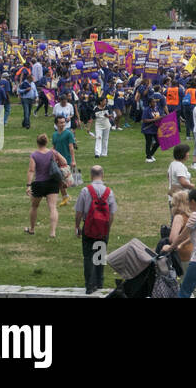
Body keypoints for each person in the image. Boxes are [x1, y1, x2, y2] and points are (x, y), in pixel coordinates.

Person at [74, 164, 115, 294]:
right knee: (100, 255)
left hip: (88, 227)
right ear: (102, 175)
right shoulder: (109, 192)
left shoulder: (85, 191)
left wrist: (77, 226)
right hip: (103, 228)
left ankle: (89, 285)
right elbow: (112, 213)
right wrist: (108, 227)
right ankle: (99, 282)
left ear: (91, 176)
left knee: (88, 256)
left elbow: (79, 211)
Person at [25, 133, 69, 238]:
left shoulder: (34, 155)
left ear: (37, 143)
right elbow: (64, 161)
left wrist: (28, 185)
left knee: (34, 206)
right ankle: (52, 232)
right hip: (52, 183)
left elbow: (31, 170)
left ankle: (31, 229)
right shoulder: (53, 152)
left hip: (39, 183)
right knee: (53, 207)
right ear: (47, 142)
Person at [51, 113, 77, 203]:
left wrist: (73, 160)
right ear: (56, 124)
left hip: (66, 160)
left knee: (65, 181)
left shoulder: (68, 134)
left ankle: (65, 196)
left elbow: (71, 147)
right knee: (59, 180)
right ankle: (65, 197)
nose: (62, 124)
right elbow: (54, 148)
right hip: (57, 161)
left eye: (63, 122)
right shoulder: (54, 135)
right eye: (60, 123)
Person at [167, 143, 193, 218]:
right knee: (181, 219)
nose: (188, 154)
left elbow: (168, 176)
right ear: (183, 154)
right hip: (181, 198)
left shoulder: (172, 164)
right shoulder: (180, 166)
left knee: (174, 218)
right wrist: (191, 186)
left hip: (173, 196)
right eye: (187, 152)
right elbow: (183, 182)